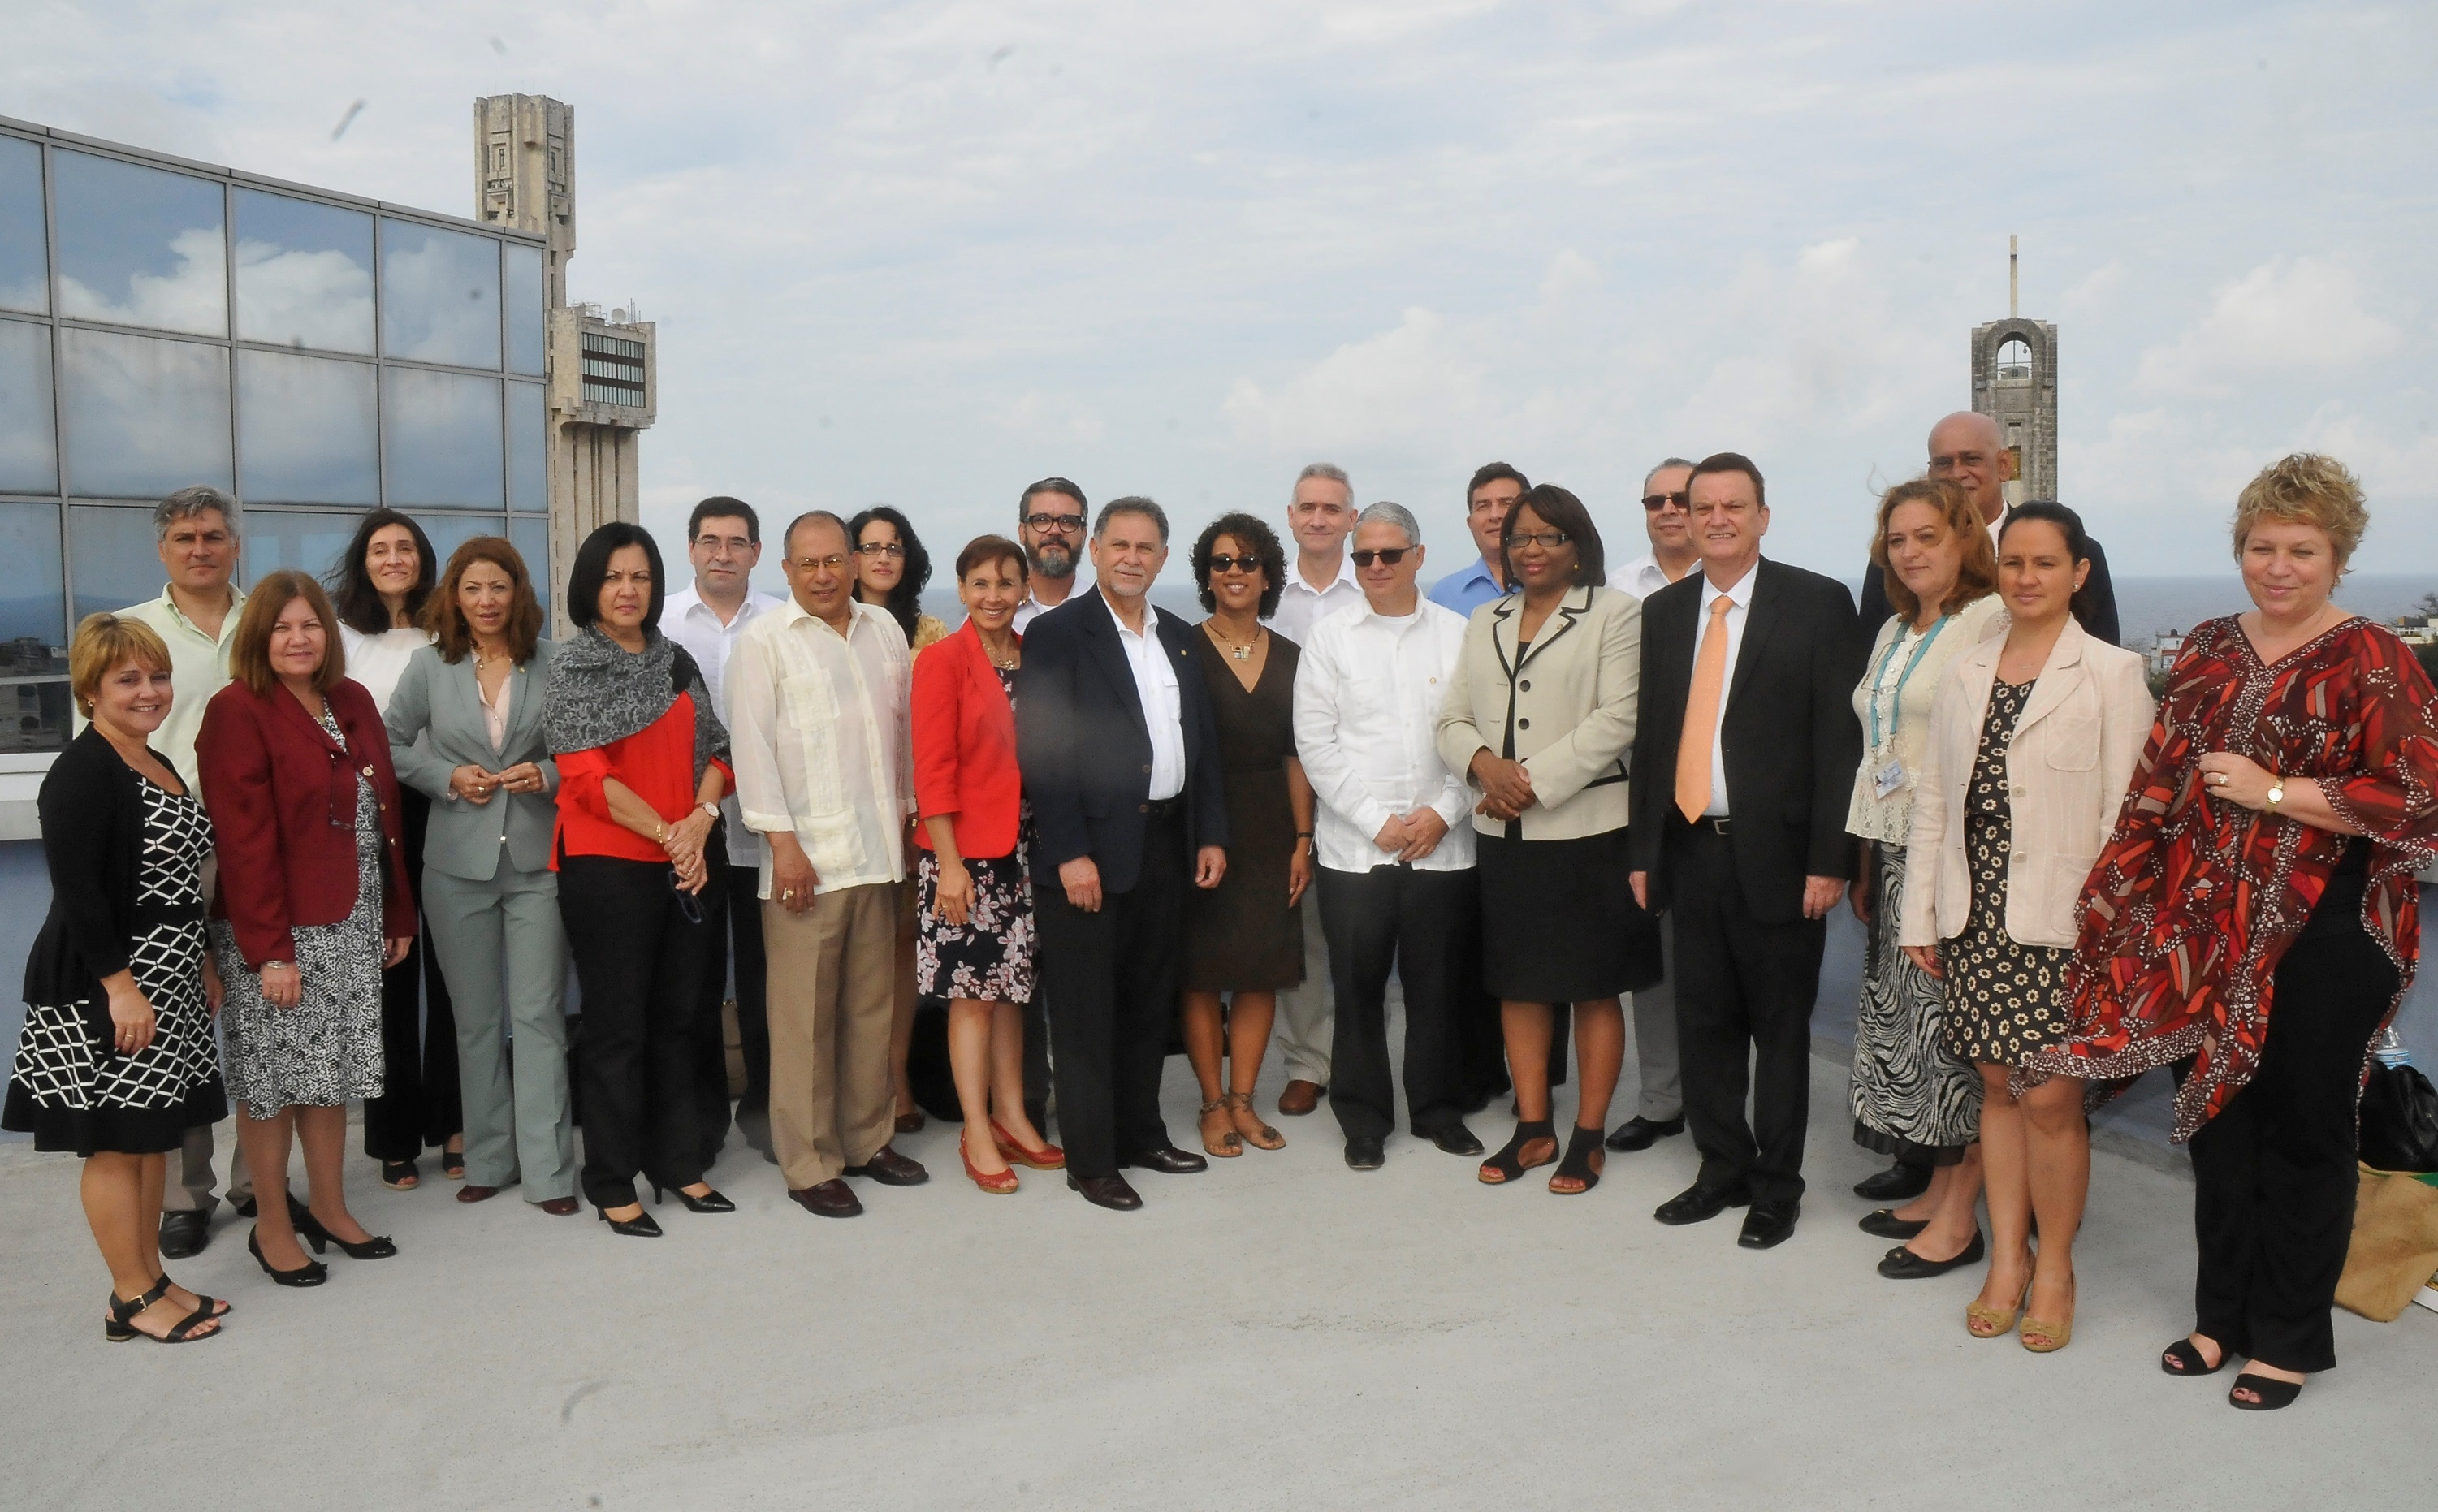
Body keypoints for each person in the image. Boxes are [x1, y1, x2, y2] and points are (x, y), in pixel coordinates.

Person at [2029, 456, 2438, 1409]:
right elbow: (2158, 779)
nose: (2278, 565)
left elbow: (2418, 791)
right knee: (2218, 1124)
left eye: (2301, 548)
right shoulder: (2211, 644)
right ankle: (2221, 1316)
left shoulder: (2372, 655)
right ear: (2239, 550)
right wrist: (2115, 896)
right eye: (2261, 546)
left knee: (2303, 1129)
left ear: (2336, 555)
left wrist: (2279, 792)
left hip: (2325, 934)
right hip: (2198, 929)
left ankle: (2287, 1336)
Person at [1898, 502, 2149, 1349]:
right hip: (1975, 918)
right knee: (1996, 1089)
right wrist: (1919, 914)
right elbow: (1936, 801)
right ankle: (2005, 1257)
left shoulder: (2113, 673)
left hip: (2066, 924)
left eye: (2045, 563)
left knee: (2048, 1098)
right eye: (2012, 563)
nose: (2026, 578)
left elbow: (2129, 818)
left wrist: (2113, 936)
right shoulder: (1967, 671)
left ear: (2078, 573)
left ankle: (2053, 1267)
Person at [1629, 453, 1865, 1250]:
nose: (1718, 518)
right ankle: (1719, 1166)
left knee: (1779, 1029)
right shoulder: (1661, 615)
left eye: (1735, 504)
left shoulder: (1817, 603)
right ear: (1685, 521)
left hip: (1782, 858)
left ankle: (1775, 1186)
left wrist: (1830, 859)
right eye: (1703, 507)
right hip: (1689, 849)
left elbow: (1839, 745)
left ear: (1762, 516)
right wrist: (1642, 853)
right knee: (1703, 1023)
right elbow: (1653, 741)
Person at [6, 614, 230, 1341]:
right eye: (127, 679)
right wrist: (121, 987)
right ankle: (131, 1298)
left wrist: (197, 958)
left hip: (164, 976)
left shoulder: (153, 759)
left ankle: (150, 1282)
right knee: (111, 1143)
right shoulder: (83, 772)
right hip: (103, 986)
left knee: (147, 1140)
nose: (149, 691)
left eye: (157, 676)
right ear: (90, 692)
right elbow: (79, 895)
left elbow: (173, 878)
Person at [1437, 484, 1659, 1194]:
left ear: (1578, 547)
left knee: (1594, 988)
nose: (1531, 549)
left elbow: (1620, 718)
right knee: (1519, 985)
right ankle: (1533, 1127)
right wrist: (1482, 766)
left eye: (1549, 537)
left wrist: (1529, 779)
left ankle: (1587, 1136)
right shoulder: (1485, 619)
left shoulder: (1616, 616)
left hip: (1587, 829)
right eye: (1520, 537)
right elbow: (1451, 718)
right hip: (1505, 834)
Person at [198, 571, 416, 1285]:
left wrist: (394, 913)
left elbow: (384, 820)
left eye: (311, 625)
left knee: (331, 1079)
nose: (298, 639)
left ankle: (328, 1206)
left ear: (329, 633)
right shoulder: (238, 710)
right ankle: (271, 1223)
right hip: (279, 934)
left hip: (352, 920)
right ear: (259, 637)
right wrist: (268, 953)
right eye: (283, 627)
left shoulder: (349, 700)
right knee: (273, 1085)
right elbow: (244, 841)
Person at [1017, 496, 1229, 1211]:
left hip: (1165, 845)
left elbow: (1199, 743)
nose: (1133, 557)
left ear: (1162, 559)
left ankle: (1142, 1134)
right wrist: (1071, 853)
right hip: (1089, 858)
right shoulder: (1056, 634)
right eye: (1120, 545)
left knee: (1146, 1004)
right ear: (1097, 552)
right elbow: (1042, 755)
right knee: (1084, 1014)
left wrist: (1208, 833)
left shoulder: (1177, 637)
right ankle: (1093, 1159)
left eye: (1147, 547)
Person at [729, 511, 928, 1220]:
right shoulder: (763, 644)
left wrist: (908, 819)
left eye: (833, 561)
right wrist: (782, 845)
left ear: (852, 563)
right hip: (805, 862)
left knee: (871, 1010)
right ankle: (809, 1162)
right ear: (785, 571)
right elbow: (751, 752)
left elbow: (900, 735)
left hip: (878, 853)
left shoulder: (885, 632)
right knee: (805, 1019)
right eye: (806, 564)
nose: (821, 575)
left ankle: (868, 1141)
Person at [542, 524, 736, 1238]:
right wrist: (669, 833)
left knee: (681, 1020)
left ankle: (679, 1162)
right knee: (616, 1027)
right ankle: (612, 1178)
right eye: (614, 577)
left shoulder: (675, 661)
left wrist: (700, 822)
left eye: (641, 577)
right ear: (590, 587)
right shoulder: (573, 668)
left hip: (686, 863)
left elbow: (718, 748)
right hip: (608, 869)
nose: (628, 590)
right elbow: (586, 777)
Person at [383, 537, 577, 1216]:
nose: (487, 601)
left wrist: (546, 774)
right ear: (455, 597)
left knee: (539, 1017)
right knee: (474, 1021)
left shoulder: (555, 663)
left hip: (535, 862)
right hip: (455, 866)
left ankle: (551, 1171)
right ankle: (490, 1160)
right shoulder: (429, 666)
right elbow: (390, 745)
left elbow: (581, 753)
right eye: (473, 589)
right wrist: (444, 777)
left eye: (499, 587)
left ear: (518, 593)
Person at [1841, 479, 2003, 1274]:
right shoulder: (1896, 627)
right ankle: (1940, 1187)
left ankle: (1960, 1217)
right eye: (1897, 539)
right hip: (1896, 848)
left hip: (1953, 860)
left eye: (1926, 536)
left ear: (1962, 537)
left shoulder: (1985, 619)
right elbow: (1883, 753)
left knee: (1954, 1038)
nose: (1910, 552)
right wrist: (1870, 858)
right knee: (1916, 1034)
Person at [1295, 503, 1482, 1168]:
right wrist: (1379, 822)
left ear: (1418, 557)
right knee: (1359, 989)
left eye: (1389, 555)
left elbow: (1479, 736)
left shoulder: (1462, 634)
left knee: (1438, 989)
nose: (1375, 566)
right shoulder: (1331, 638)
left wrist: (1443, 812)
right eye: (1363, 556)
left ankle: (1437, 1111)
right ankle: (1364, 1120)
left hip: (1444, 845)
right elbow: (1316, 742)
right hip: (1356, 850)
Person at [97, 486, 247, 1260]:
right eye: (185, 537)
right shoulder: (135, 633)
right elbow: (97, 746)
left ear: (234, 546)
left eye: (214, 535)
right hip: (169, 848)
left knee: (261, 1012)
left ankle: (260, 1177)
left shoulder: (269, 625)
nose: (200, 548)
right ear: (163, 550)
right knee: (178, 1024)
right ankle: (189, 1197)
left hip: (256, 846)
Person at [910, 536, 1063, 1192]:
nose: (993, 596)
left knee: (1010, 997)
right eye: (979, 584)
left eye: (1005, 583)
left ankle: (1013, 1117)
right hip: (964, 858)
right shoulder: (942, 663)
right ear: (962, 588)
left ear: (1023, 587)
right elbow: (932, 771)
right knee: (972, 998)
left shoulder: (1035, 660)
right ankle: (976, 1129)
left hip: (1023, 852)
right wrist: (949, 865)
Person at [329, 508, 460, 1191]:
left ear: (423, 558)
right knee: (390, 976)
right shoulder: (340, 637)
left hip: (448, 806)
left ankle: (455, 1123)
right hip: (375, 817)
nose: (394, 558)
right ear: (363, 561)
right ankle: (393, 1137)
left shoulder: (450, 631)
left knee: (453, 974)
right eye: (380, 549)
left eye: (405, 547)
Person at [1178, 513, 1313, 1158]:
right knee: (1202, 972)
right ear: (1207, 574)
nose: (1235, 572)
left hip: (1271, 824)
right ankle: (1210, 1102)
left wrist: (1303, 839)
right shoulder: (1181, 648)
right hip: (1201, 822)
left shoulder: (1292, 656)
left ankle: (1244, 1100)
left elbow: (1297, 754)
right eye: (1223, 561)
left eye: (1248, 561)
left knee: (1260, 969)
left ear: (1268, 575)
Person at [663, 497, 786, 1163]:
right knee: (698, 983)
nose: (723, 554)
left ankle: (768, 1117)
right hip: (690, 834)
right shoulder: (660, 625)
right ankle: (702, 1123)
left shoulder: (784, 622)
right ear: (690, 549)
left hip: (768, 835)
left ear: (756, 554)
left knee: (768, 982)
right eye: (710, 541)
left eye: (737, 543)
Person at [1601, 458, 1702, 1156]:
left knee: (1725, 962)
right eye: (1655, 500)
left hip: (1727, 798)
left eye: (1682, 498)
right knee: (1652, 959)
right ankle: (1663, 1098)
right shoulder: (1615, 592)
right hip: (1638, 796)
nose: (1669, 509)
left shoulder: (1747, 586)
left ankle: (1723, 1099)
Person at [1262, 464, 1363, 1120]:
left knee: (1361, 934)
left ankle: (1359, 1059)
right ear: (1291, 517)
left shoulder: (1376, 586)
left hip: (1361, 787)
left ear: (1351, 519)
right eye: (1308, 508)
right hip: (1281, 786)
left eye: (1332, 508)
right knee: (1300, 932)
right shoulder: (1267, 595)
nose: (1320, 519)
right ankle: (1306, 1062)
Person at [1856, 412, 2120, 647]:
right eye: (1944, 463)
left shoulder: (2073, 550)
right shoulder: (1896, 560)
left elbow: (2103, 656)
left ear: (2004, 465)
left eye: (1971, 459)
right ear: (1930, 474)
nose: (1957, 473)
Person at [850, 504, 948, 1138]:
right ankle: (856, 1089)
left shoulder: (932, 632)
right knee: (854, 957)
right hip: (850, 813)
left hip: (914, 813)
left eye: (894, 546)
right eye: (870, 545)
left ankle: (897, 1079)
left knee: (902, 953)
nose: (883, 556)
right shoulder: (832, 627)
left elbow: (939, 731)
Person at [1428, 462, 1528, 616]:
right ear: (1470, 523)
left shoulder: (1556, 587)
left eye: (1506, 503)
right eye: (1483, 506)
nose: (1495, 515)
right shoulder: (1443, 597)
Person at [1011, 477, 1090, 633]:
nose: (1055, 530)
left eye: (1068, 521)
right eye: (1042, 520)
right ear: (1022, 532)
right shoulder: (998, 614)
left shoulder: (1107, 611)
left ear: (1084, 535)